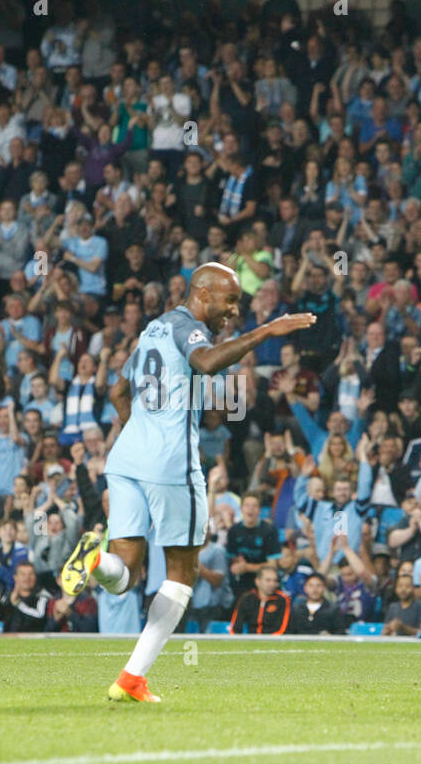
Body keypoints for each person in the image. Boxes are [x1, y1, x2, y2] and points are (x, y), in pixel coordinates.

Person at [58, 262, 315, 702]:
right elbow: (209, 361)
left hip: (125, 459)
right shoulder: (187, 328)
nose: (234, 312)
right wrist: (267, 332)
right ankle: (132, 677)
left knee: (125, 574)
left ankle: (96, 560)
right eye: (229, 300)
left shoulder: (153, 329)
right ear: (203, 294)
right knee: (181, 574)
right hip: (170, 466)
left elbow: (118, 392)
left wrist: (140, 432)